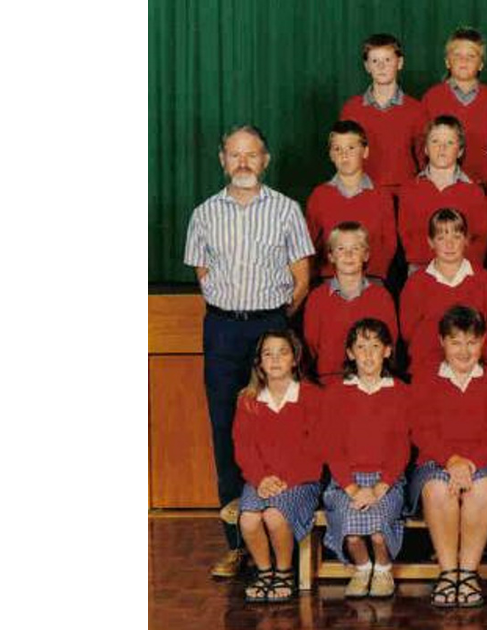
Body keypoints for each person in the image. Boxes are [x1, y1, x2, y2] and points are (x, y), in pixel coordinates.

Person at [183, 124, 314, 577]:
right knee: (226, 432)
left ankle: (282, 536)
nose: (243, 163)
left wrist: (272, 322)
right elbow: (204, 275)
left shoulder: (285, 210)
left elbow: (301, 277)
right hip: (221, 331)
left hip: (269, 328)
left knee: (277, 430)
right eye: (234, 155)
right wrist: (231, 310)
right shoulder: (203, 214)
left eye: (251, 155)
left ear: (266, 160)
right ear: (222, 159)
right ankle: (238, 545)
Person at [409, 306, 487, 608]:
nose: (464, 351)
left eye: (472, 342)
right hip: (435, 461)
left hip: (485, 463)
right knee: (439, 488)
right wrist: (451, 461)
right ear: (442, 342)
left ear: (482, 343)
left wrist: (468, 464)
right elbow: (421, 431)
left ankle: (467, 574)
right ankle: (447, 572)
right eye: (456, 342)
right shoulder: (426, 378)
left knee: (484, 489)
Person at [320, 319, 411, 599]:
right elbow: (332, 446)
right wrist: (353, 488)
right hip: (345, 481)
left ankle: (383, 568)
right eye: (361, 347)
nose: (368, 354)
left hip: (387, 480)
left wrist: (381, 487)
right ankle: (362, 567)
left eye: (375, 346)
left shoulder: (399, 391)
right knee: (354, 532)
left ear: (387, 351)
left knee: (378, 533)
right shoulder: (336, 392)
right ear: (350, 353)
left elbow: (401, 447)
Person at [233, 330, 322, 603]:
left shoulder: (311, 396)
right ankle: (264, 571)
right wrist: (260, 479)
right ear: (259, 362)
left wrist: (286, 479)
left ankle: (284, 571)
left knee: (274, 516)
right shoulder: (248, 399)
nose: (274, 359)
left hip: (300, 480)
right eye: (267, 354)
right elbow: (243, 447)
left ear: (294, 359)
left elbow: (317, 448)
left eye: (282, 352)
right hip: (259, 479)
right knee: (248, 519)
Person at [302, 222, 398, 382]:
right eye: (341, 249)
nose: (348, 255)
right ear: (331, 256)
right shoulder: (317, 298)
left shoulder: (381, 298)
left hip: (371, 380)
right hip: (329, 379)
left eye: (355, 249)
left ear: (366, 255)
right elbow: (311, 345)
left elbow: (389, 341)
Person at [398, 208, 487, 369]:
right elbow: (408, 333)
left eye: (456, 237)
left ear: (466, 239)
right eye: (441, 238)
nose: (450, 244)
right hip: (427, 368)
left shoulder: (485, 280)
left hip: (473, 369)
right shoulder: (416, 283)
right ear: (431, 242)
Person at [304, 120, 397, 281]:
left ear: (365, 151)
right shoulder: (320, 196)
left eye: (351, 148)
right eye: (337, 149)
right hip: (330, 282)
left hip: (371, 280)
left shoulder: (381, 196)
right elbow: (309, 245)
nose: (344, 155)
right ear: (331, 155)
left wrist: (371, 277)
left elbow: (389, 244)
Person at [398, 116, 487, 271]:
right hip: (421, 270)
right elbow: (407, 236)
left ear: (460, 150)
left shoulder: (474, 192)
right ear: (426, 149)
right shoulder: (410, 189)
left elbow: (481, 238)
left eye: (449, 143)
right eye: (435, 142)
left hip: (462, 270)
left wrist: (456, 264)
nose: (442, 148)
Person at [339, 33, 427, 198]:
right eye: (375, 61)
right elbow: (344, 158)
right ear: (367, 66)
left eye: (387, 60)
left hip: (407, 195)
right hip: (364, 194)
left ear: (399, 63)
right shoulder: (352, 109)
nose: (381, 66)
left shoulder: (417, 110)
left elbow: (425, 160)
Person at [421, 28, 487, 183]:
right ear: (447, 61)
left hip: (484, 184)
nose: (464, 61)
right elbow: (421, 147)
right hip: (442, 183)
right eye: (457, 55)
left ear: (481, 64)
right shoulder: (432, 98)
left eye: (471, 56)